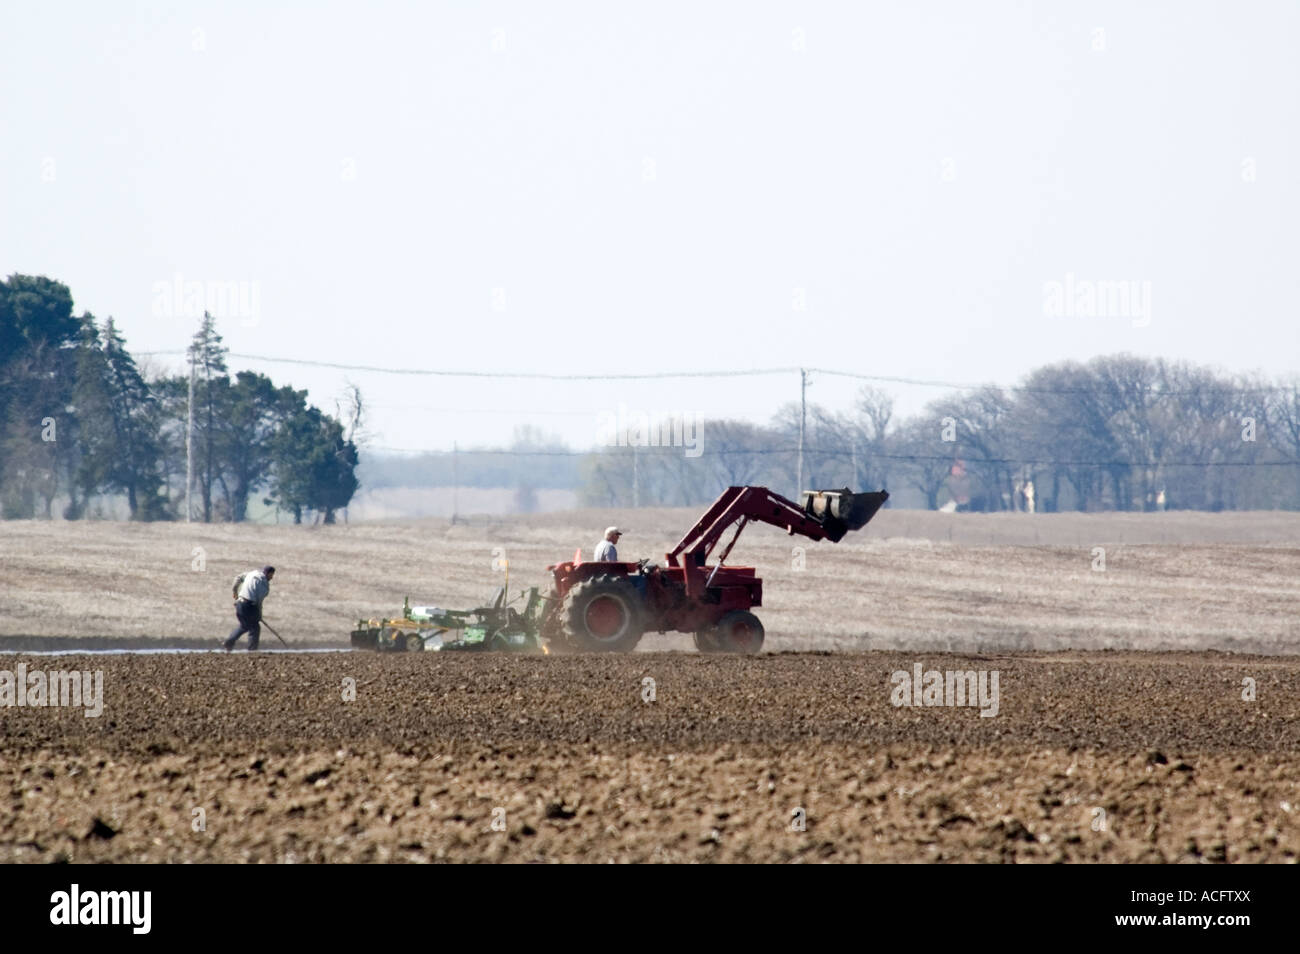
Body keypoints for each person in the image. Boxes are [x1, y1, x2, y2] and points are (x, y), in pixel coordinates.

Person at [223, 566, 275, 652]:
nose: (272, 578)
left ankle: (229, 643)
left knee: (245, 625)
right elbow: (258, 601)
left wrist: (235, 591)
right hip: (249, 605)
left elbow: (238, 578)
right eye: (271, 575)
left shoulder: (252, 573)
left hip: (239, 603)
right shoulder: (265, 585)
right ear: (269, 574)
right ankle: (252, 650)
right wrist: (259, 615)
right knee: (254, 627)